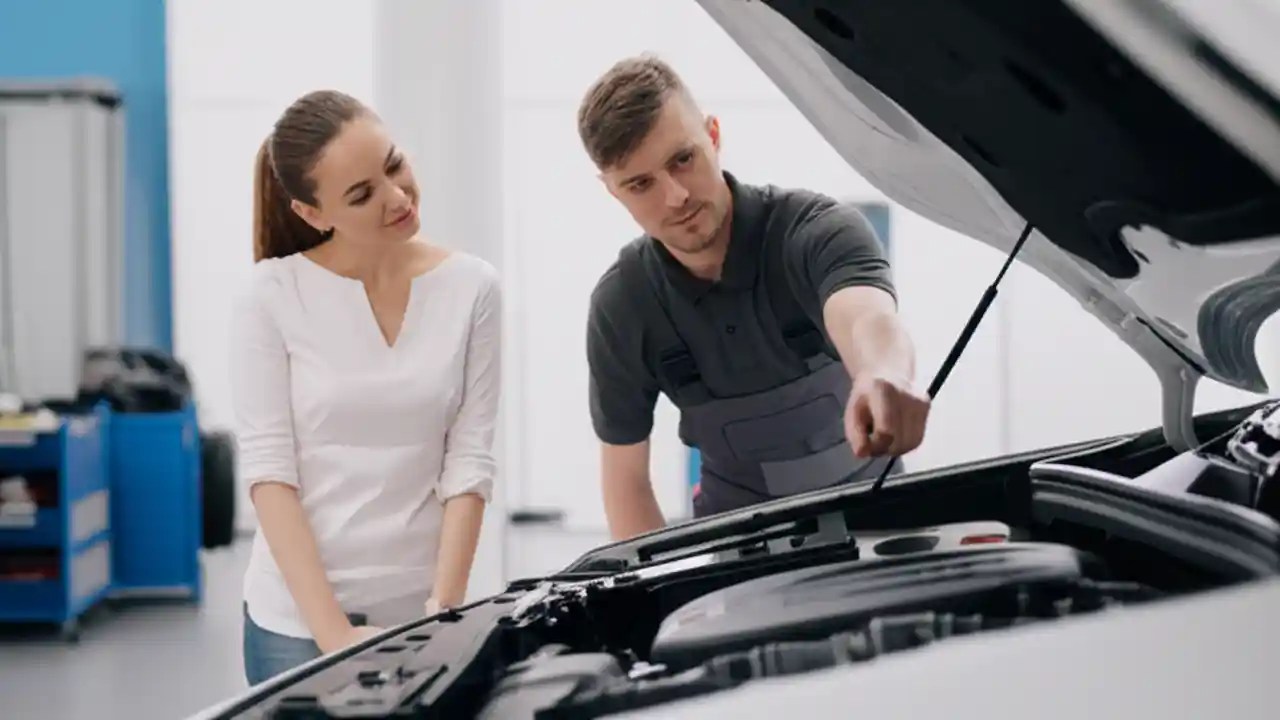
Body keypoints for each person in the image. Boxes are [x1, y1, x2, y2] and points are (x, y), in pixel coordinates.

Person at [579, 55, 931, 540]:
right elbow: (626, 483)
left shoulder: (816, 232)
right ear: (613, 192)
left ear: (714, 135)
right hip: (738, 554)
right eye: (641, 184)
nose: (675, 196)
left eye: (682, 159)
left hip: (881, 532)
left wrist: (885, 372)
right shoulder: (624, 306)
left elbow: (866, 317)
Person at [230, 89, 501, 685]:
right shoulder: (271, 296)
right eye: (362, 194)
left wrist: (444, 612)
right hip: (297, 629)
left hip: (423, 616)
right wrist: (334, 635)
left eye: (395, 164)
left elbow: (470, 459)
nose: (397, 197)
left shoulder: (472, 287)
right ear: (312, 213)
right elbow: (270, 474)